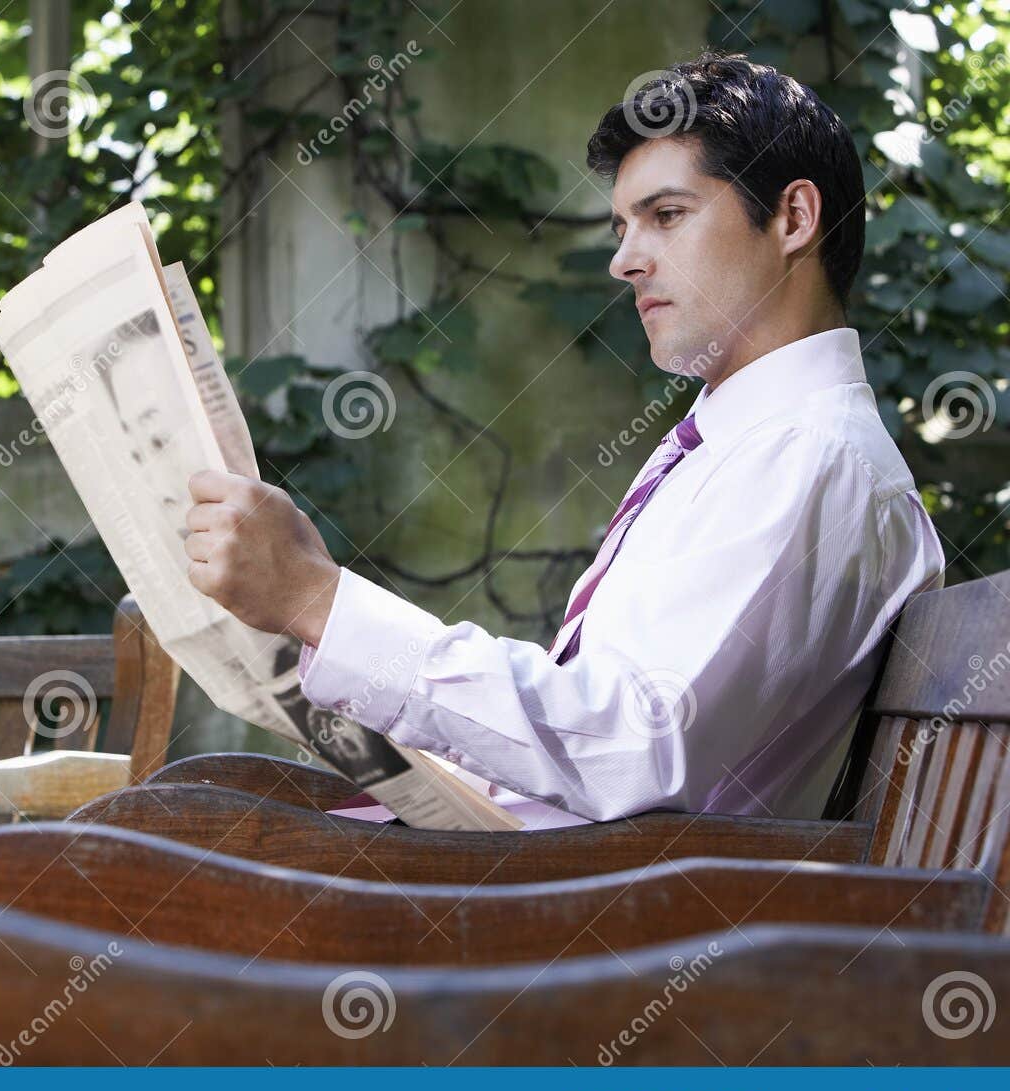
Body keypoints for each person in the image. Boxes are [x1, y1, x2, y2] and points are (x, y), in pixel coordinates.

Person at [181, 51, 945, 828]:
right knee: (170, 817)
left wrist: (319, 601)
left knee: (138, 844)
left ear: (793, 219)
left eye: (668, 215)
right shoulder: (747, 442)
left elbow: (636, 744)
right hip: (545, 888)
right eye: (622, 226)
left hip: (578, 922)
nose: (625, 259)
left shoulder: (811, 456)